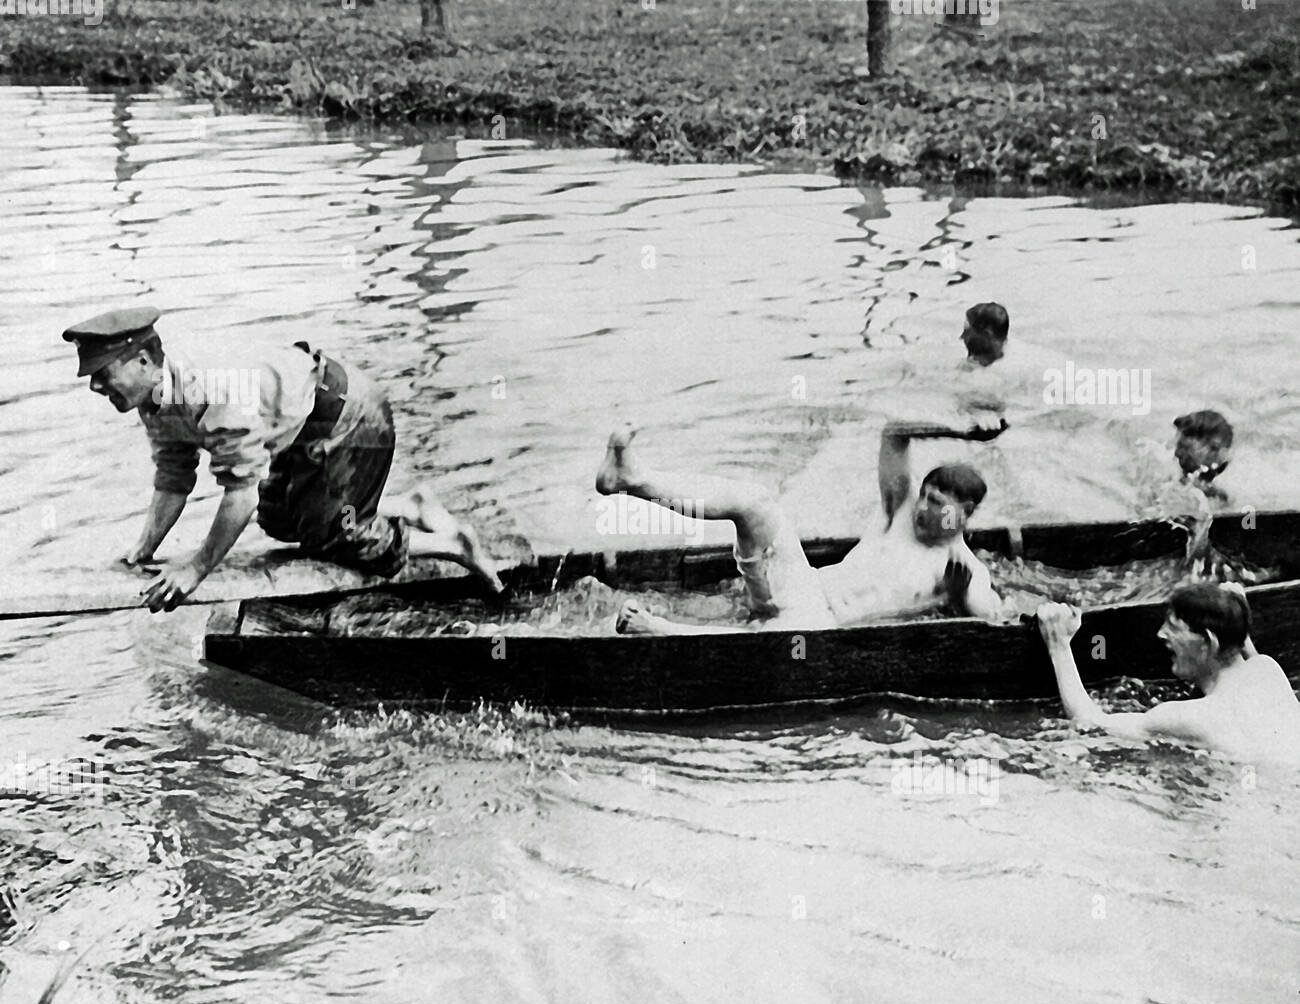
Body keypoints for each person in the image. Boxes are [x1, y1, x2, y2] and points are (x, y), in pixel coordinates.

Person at [63, 307, 501, 612]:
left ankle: (454, 544)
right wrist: (142, 552)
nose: (97, 388)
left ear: (143, 361)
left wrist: (196, 569)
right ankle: (410, 507)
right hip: (301, 427)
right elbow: (174, 479)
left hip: (348, 414)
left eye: (103, 375)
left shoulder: (213, 392)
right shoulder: (155, 398)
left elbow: (240, 492)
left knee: (334, 538)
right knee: (278, 520)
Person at [595, 413, 1008, 635]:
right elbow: (894, 431)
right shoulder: (898, 511)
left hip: (825, 625)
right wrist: (959, 430)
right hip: (805, 585)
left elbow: (996, 623)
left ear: (965, 512)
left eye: (937, 505)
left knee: (794, 634)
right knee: (755, 502)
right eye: (924, 497)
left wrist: (957, 602)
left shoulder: (966, 572)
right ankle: (632, 479)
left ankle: (658, 630)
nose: (922, 509)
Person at [1037, 582, 1298, 760]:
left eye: (1173, 627)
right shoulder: (1267, 670)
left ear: (1207, 642)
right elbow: (1240, 648)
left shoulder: (1188, 717)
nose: (1161, 633)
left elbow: (1090, 722)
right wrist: (1231, 607)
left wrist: (1058, 644)